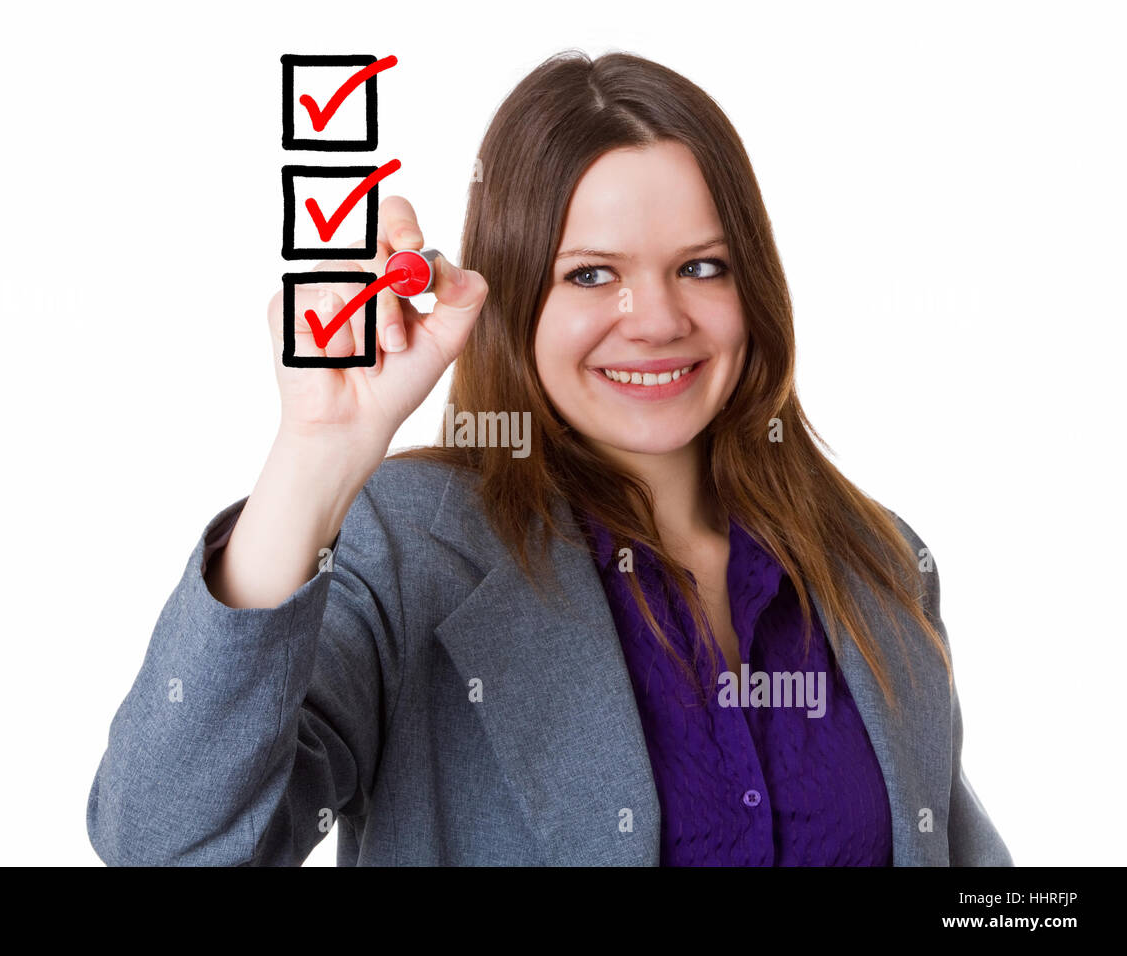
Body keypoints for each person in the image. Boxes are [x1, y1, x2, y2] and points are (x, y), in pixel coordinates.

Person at [86, 49, 1012, 866]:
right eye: (591, 274)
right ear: (515, 294)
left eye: (701, 266)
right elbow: (169, 846)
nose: (655, 320)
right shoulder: (409, 551)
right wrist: (313, 460)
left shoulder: (877, 558)